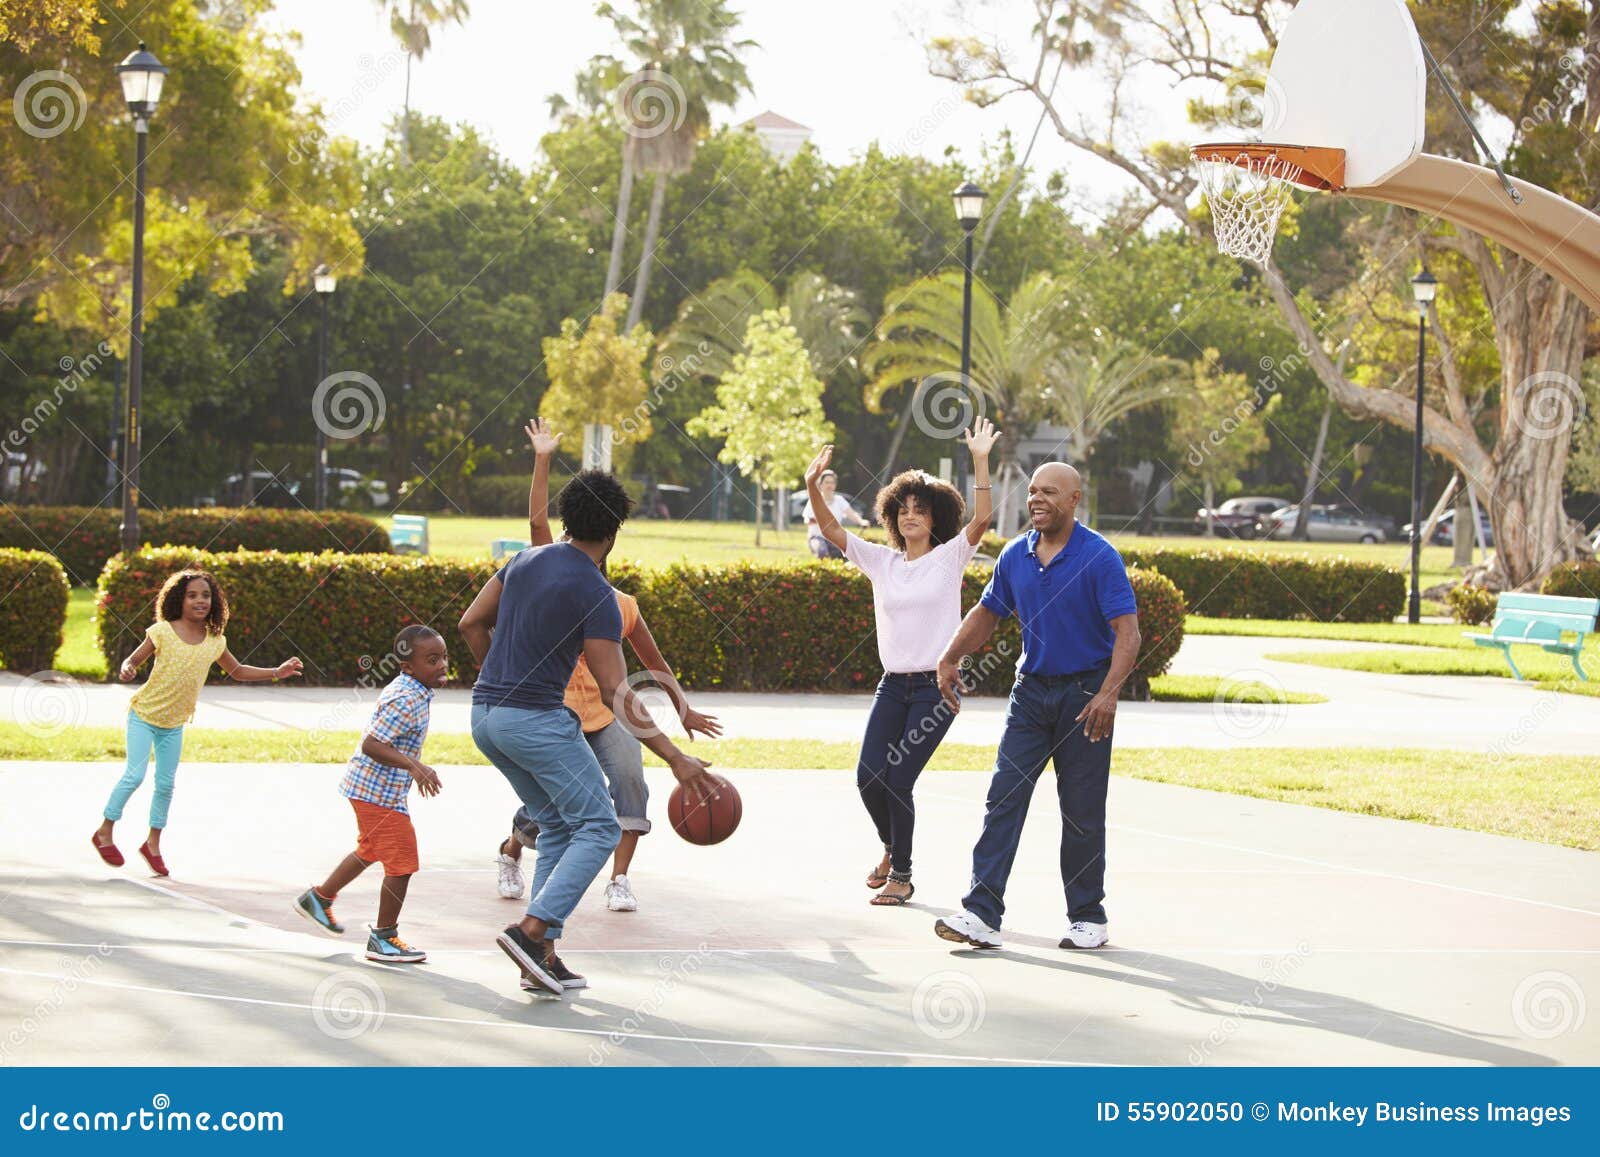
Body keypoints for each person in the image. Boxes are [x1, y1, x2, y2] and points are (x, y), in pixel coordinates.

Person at [460, 463, 718, 996]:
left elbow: (470, 623)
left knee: (555, 826)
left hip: (485, 716)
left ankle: (544, 956)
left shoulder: (523, 561)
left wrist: (497, 680)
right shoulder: (598, 595)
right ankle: (530, 933)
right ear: (614, 532)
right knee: (600, 827)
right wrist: (675, 757)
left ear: (566, 519)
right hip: (535, 720)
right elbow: (616, 693)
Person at [493, 419, 722, 912]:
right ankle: (513, 850)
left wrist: (682, 709)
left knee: (630, 782)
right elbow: (537, 524)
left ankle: (618, 878)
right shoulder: (549, 570)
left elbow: (654, 665)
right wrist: (542, 459)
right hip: (556, 712)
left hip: (604, 713)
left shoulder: (618, 603)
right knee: (555, 806)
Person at [932, 462, 1140, 951]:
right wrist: (949, 656)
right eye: (1031, 492)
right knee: (1003, 798)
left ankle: (1089, 917)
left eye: (1049, 492)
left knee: (1082, 812)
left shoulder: (1099, 557)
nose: (1037, 500)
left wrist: (1108, 694)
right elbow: (988, 613)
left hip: (1085, 696)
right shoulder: (1014, 555)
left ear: (1074, 500)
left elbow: (1127, 633)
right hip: (1030, 694)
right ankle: (981, 914)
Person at [804, 418, 998, 907]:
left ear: (935, 518)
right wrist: (812, 485)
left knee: (898, 780)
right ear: (892, 515)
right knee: (869, 776)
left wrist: (979, 459)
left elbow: (983, 520)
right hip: (892, 686)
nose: (911, 515)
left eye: (921, 509)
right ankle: (891, 849)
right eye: (903, 509)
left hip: (936, 689)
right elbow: (830, 530)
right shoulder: (881, 561)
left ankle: (904, 875)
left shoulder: (951, 557)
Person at [93, 570, 302, 877]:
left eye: (205, 595)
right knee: (134, 776)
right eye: (192, 595)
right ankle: (105, 831)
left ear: (213, 601)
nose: (200, 600)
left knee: (165, 784)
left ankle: (152, 845)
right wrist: (127, 669)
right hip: (144, 716)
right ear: (179, 599)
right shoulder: (162, 631)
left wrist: (276, 671)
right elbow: (133, 660)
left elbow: (238, 671)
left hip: (174, 724)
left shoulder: (215, 641)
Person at [293, 625, 449, 964]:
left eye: (444, 657)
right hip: (377, 793)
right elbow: (372, 744)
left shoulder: (416, 690)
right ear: (408, 667)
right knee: (402, 863)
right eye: (432, 659)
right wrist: (415, 767)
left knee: (370, 849)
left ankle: (319, 899)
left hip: (373, 789)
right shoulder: (407, 698)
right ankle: (384, 937)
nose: (442, 665)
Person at [802, 468, 867, 559]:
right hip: (817, 537)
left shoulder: (840, 500)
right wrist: (812, 520)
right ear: (820, 485)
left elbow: (852, 514)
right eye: (826, 482)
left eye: (832, 483)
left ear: (835, 485)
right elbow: (806, 519)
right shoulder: (814, 500)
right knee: (822, 552)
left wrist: (861, 521)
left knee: (848, 553)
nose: (829, 485)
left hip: (834, 538)